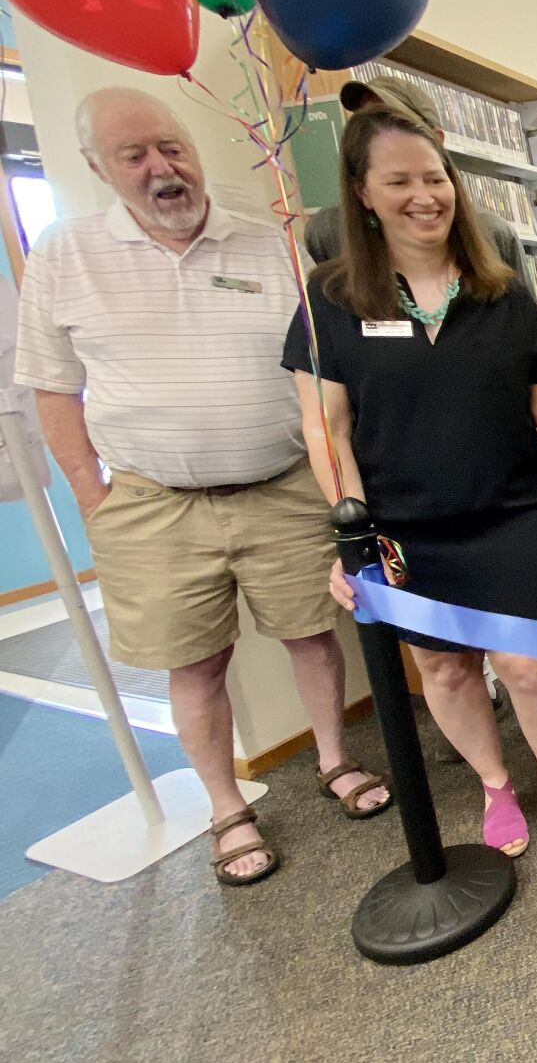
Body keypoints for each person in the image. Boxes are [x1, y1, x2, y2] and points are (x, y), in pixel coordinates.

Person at [15, 88, 389, 887]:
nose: (162, 168)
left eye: (171, 147)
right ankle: (226, 806)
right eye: (134, 155)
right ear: (97, 168)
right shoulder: (63, 254)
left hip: (282, 484)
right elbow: (53, 390)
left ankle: (331, 759)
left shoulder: (266, 244)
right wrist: (93, 499)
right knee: (192, 663)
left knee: (312, 634)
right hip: (153, 504)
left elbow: (321, 371)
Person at [285, 105, 537, 877]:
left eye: (434, 178)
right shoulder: (330, 299)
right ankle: (495, 787)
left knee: (529, 666)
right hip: (404, 530)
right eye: (399, 182)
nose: (424, 196)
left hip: (513, 516)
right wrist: (351, 538)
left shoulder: (502, 291)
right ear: (361, 193)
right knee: (447, 669)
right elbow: (326, 426)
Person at [303, 74, 531, 294]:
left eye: (394, 122)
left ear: (436, 140)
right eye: (364, 121)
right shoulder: (327, 231)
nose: (377, 133)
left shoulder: (493, 234)